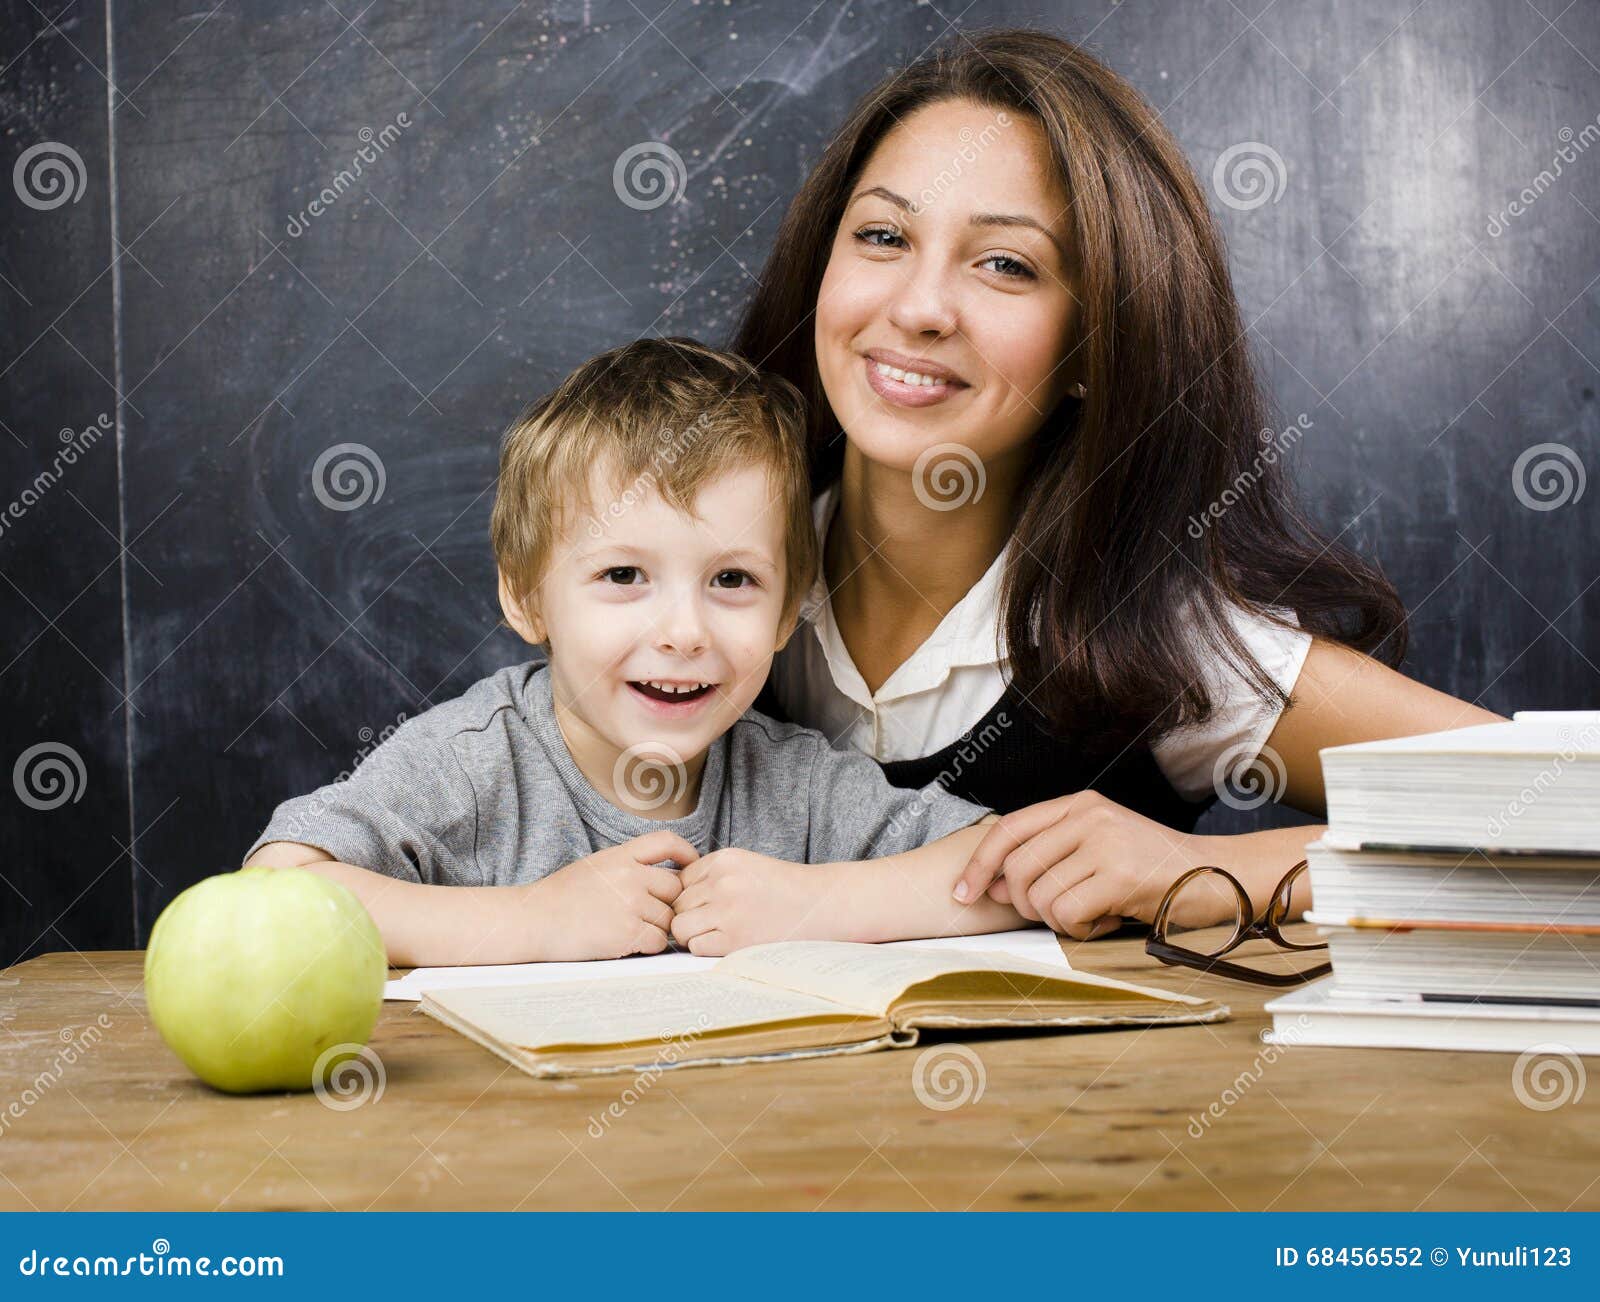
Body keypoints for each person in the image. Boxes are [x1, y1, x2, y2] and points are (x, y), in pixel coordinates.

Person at [731, 29, 1504, 942]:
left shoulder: (1156, 637)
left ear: (1097, 348)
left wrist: (1213, 872)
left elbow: (1561, 807)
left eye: (1006, 264)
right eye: (883, 236)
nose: (917, 307)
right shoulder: (688, 558)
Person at [243, 338, 1027, 966]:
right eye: (623, 575)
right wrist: (530, 921)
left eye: (732, 579)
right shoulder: (474, 764)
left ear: (791, 610)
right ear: (525, 595)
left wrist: (819, 904)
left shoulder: (793, 783)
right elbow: (275, 890)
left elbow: (1005, 870)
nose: (684, 632)